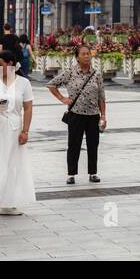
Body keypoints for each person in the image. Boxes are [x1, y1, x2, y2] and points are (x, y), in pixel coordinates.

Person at [0, 50, 35, 218]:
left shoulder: (24, 83)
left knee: (12, 165)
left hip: (14, 129)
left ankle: (9, 202)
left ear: (10, 64)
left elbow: (28, 108)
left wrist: (25, 130)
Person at [48, 44, 107, 184]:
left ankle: (93, 173)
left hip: (93, 115)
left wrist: (103, 116)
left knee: (93, 144)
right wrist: (62, 98)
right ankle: (71, 174)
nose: (87, 56)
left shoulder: (96, 74)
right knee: (74, 144)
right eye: (83, 54)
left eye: (88, 53)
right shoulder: (70, 72)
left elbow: (101, 96)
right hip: (76, 114)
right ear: (77, 57)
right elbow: (51, 84)